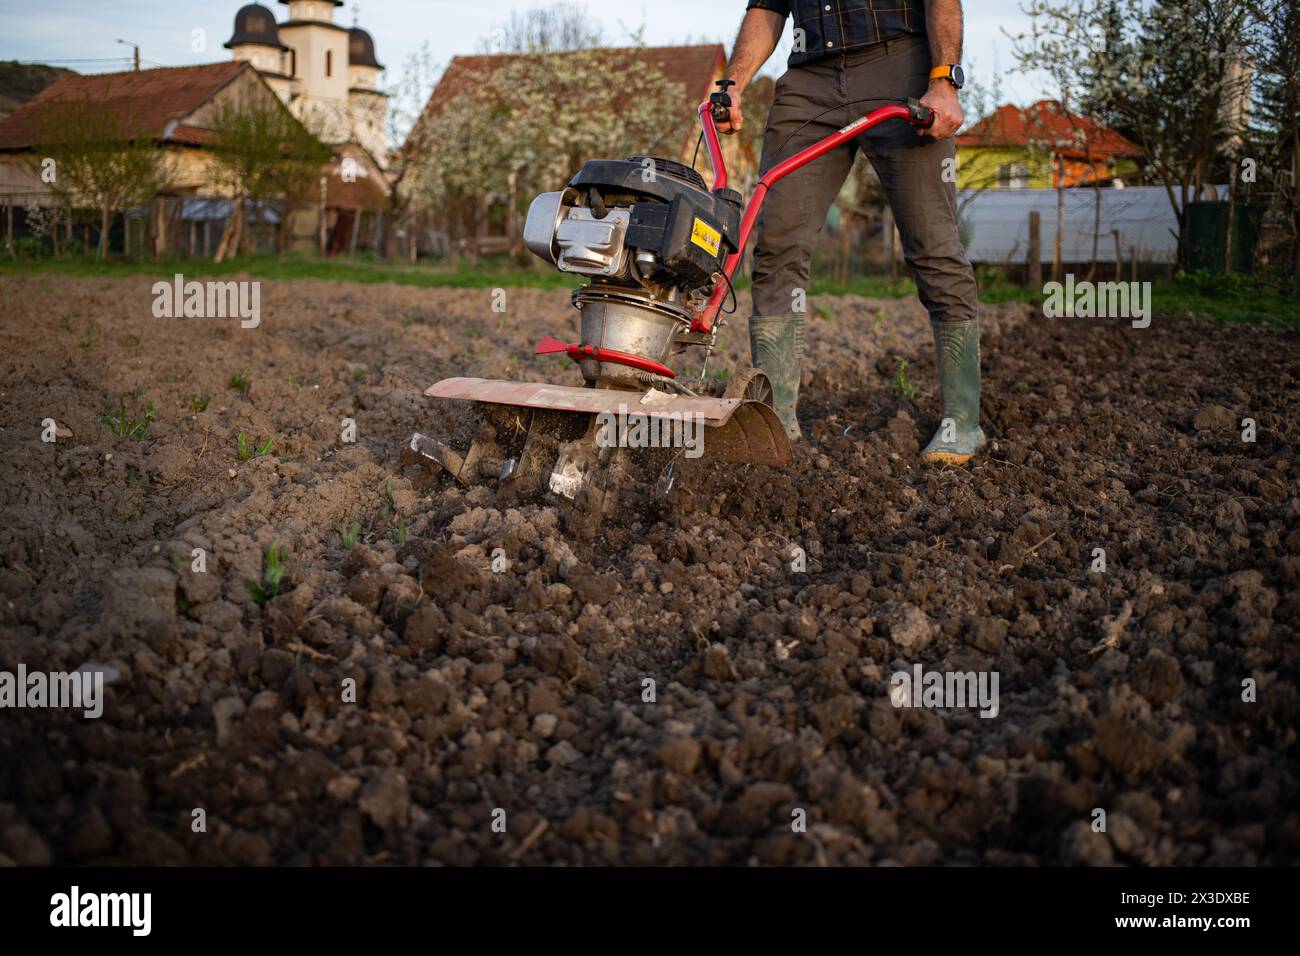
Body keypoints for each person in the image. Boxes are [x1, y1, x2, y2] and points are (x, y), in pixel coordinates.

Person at [721, 0, 985, 464]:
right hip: (810, 79)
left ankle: (962, 421)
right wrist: (733, 83)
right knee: (777, 243)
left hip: (901, 63)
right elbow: (767, 6)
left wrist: (944, 80)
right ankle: (777, 422)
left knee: (932, 246)